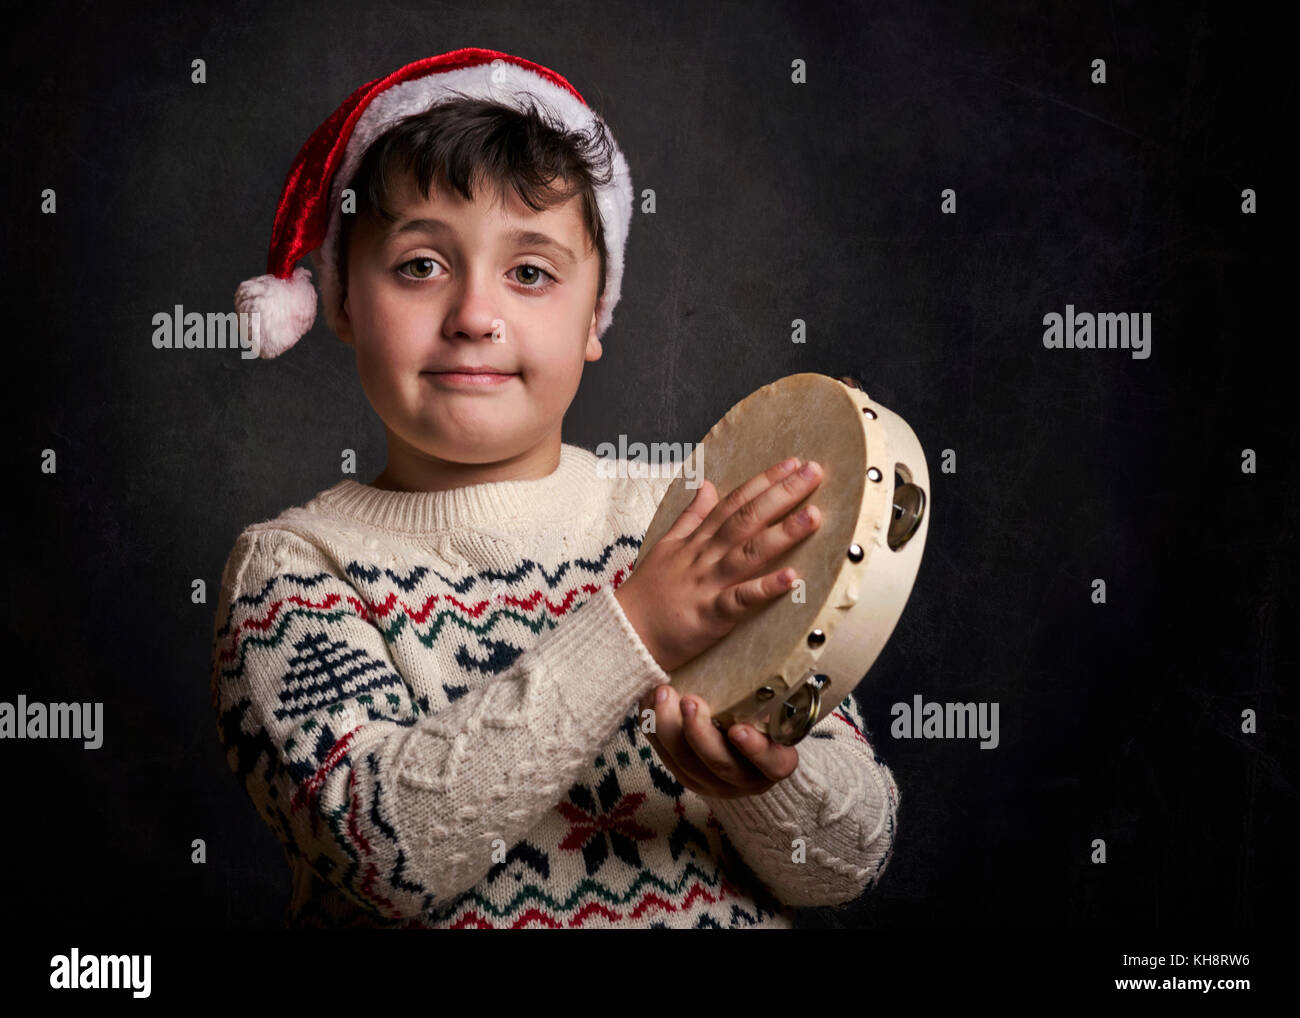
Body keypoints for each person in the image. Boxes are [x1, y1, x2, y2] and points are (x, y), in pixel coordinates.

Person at [211, 47, 899, 928]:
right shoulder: (287, 573)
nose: (473, 315)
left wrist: (765, 788)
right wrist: (635, 629)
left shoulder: (696, 517)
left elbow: (849, 861)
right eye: (420, 265)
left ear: (594, 316)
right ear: (342, 300)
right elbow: (384, 854)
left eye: (530, 272)